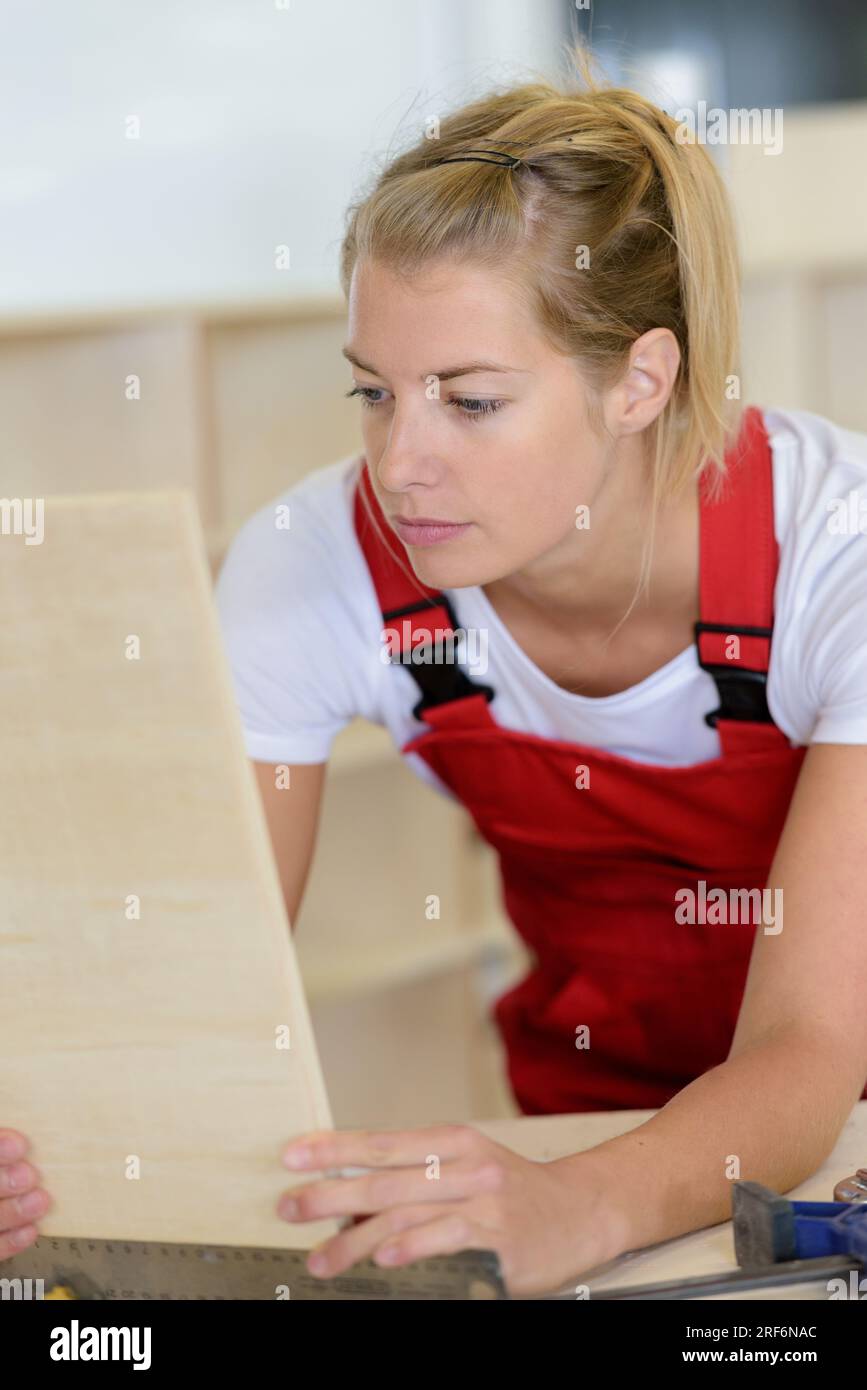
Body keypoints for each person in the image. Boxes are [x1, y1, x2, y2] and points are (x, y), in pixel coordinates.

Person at [4, 44, 866, 1297]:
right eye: (373, 392)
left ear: (640, 379)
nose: (398, 465)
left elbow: (810, 1045)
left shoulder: (836, 555)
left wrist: (580, 1206)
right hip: (585, 1122)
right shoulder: (316, 565)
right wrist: (51, 1141)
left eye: (468, 401)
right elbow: (176, 1001)